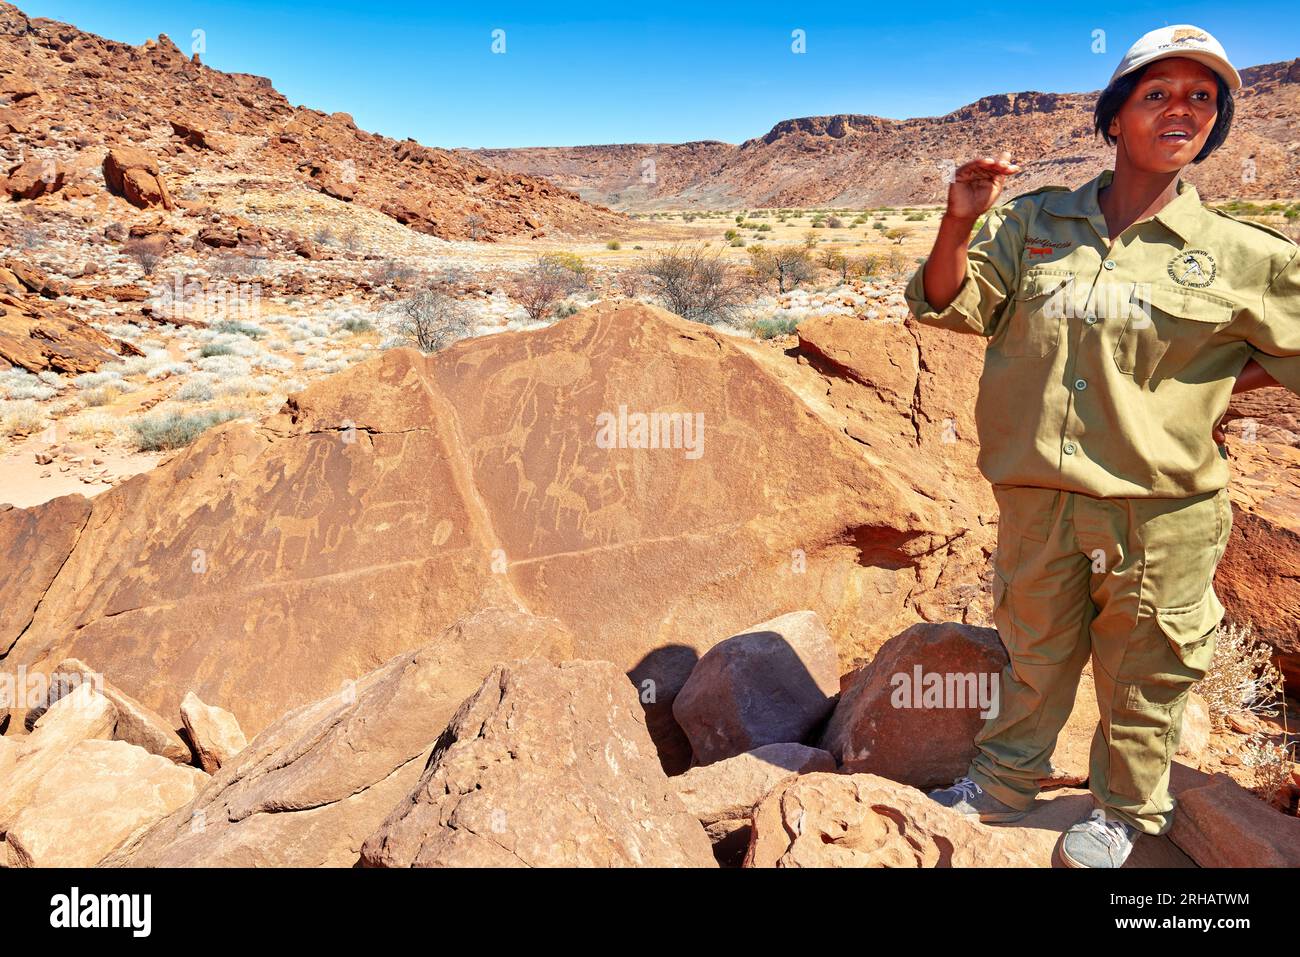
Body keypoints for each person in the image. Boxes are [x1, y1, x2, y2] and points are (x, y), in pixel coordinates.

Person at [905, 24, 1300, 868]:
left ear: (1216, 125)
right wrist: (957, 220)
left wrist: (1220, 379)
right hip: (1038, 496)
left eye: (1202, 98)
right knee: (1032, 651)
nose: (1181, 109)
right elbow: (945, 304)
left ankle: (1122, 812)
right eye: (1156, 93)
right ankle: (1001, 786)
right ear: (1114, 117)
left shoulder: (1244, 255)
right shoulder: (1033, 223)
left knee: (1147, 670)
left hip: (1161, 513)